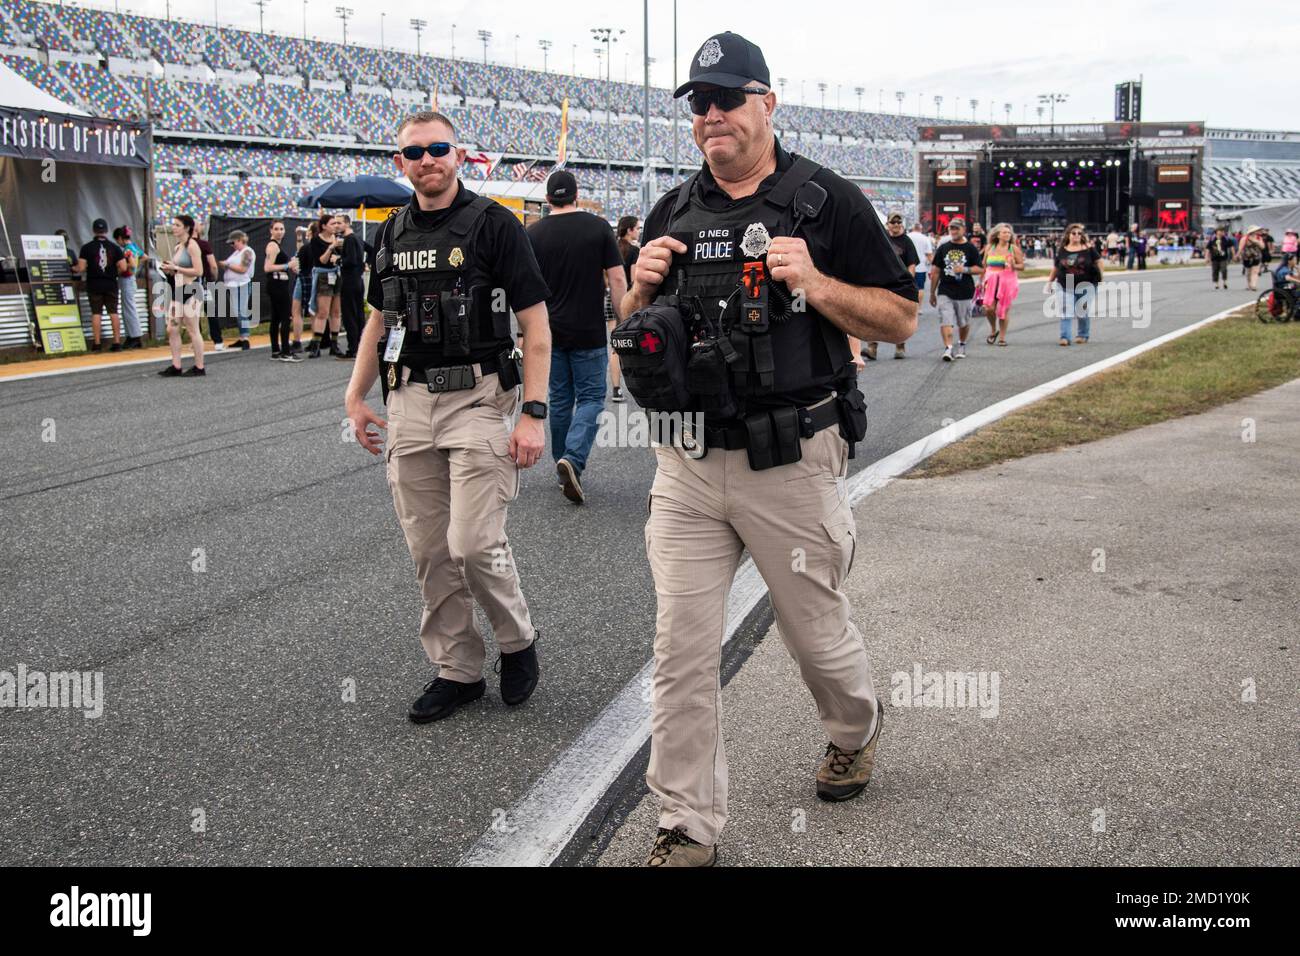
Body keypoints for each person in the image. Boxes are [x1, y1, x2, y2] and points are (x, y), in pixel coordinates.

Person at [620, 32, 917, 867]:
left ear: (768, 103)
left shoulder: (826, 201)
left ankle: (854, 728)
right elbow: (635, 341)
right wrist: (636, 291)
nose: (711, 115)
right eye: (699, 103)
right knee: (680, 651)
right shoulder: (670, 212)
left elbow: (900, 318)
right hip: (686, 462)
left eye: (727, 98)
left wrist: (815, 284)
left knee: (814, 635)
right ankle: (686, 823)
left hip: (789, 459)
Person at [344, 110, 552, 725]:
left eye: (438, 148)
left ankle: (516, 639)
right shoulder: (390, 231)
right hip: (408, 402)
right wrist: (355, 396)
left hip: (479, 398)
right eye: (414, 152)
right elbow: (378, 322)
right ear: (400, 163)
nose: (427, 160)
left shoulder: (495, 224)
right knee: (430, 550)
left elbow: (536, 324)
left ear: (459, 155)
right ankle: (458, 669)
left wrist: (534, 413)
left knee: (474, 544)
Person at [526, 170, 627, 504]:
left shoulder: (534, 233)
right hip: (589, 329)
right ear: (576, 195)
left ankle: (562, 463)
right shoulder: (597, 227)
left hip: (548, 330)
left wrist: (524, 332)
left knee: (559, 399)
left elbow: (525, 287)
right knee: (592, 398)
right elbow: (617, 280)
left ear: (547, 199)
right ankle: (573, 457)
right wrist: (624, 320)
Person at [863, 213, 919, 359]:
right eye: (893, 222)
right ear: (888, 224)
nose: (896, 225)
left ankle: (900, 347)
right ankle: (872, 348)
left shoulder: (907, 241)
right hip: (880, 283)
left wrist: (909, 282)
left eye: (898, 222)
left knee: (898, 316)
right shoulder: (882, 239)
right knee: (873, 315)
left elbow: (912, 264)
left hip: (899, 284)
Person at [156, 214, 206, 376]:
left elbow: (199, 271)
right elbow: (177, 269)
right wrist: (170, 268)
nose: (174, 228)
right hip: (178, 290)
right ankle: (176, 365)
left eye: (177, 225)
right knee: (172, 328)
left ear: (186, 228)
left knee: (192, 329)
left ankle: (199, 366)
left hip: (191, 290)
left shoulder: (192, 246)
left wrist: (176, 268)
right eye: (174, 224)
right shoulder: (178, 247)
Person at [929, 217, 983, 360]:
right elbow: (936, 271)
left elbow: (980, 269)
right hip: (945, 289)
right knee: (945, 319)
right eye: (951, 228)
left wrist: (964, 269)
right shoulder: (943, 248)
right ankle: (948, 348)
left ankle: (962, 344)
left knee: (963, 322)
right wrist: (932, 293)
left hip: (965, 290)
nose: (953, 231)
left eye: (956, 228)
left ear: (963, 230)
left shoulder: (970, 248)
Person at [73, 217, 126, 351]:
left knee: (96, 313)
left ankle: (97, 344)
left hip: (94, 283)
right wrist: (114, 272)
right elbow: (124, 267)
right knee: (113, 312)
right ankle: (117, 342)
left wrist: (72, 268)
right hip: (111, 283)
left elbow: (81, 268)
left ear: (93, 230)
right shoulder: (115, 248)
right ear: (106, 231)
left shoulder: (86, 248)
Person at [1046, 222, 1101, 345]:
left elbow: (1099, 262)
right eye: (1074, 233)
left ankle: (1083, 335)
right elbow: (1056, 267)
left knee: (1082, 312)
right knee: (1066, 311)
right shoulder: (1062, 250)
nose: (1076, 235)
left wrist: (1100, 277)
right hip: (1066, 283)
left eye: (1079, 233)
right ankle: (1065, 337)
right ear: (1068, 235)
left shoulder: (1089, 249)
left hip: (1086, 284)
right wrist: (1050, 282)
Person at [609, 215, 641, 402]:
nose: (638, 231)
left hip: (609, 297)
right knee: (631, 341)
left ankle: (616, 388)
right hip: (627, 299)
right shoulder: (634, 251)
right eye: (637, 228)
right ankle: (637, 385)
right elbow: (634, 280)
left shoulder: (613, 247)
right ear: (629, 230)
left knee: (614, 343)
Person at [307, 213, 345, 357]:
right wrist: (331, 247)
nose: (335, 226)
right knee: (322, 312)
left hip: (336, 275)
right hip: (323, 275)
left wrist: (339, 254)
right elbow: (321, 260)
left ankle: (334, 344)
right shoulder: (316, 240)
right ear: (323, 226)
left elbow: (341, 257)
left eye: (337, 223)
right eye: (332, 223)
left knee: (336, 311)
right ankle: (316, 345)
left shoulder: (338, 238)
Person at [980, 223, 1024, 346]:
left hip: (1007, 282)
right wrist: (980, 281)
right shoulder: (990, 247)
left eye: (1009, 233)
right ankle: (994, 329)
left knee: (1003, 310)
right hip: (990, 281)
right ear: (998, 235)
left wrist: (1014, 265)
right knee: (989, 308)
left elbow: (1022, 266)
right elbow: (984, 265)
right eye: (1004, 232)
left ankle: (1002, 338)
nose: (1007, 234)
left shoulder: (1013, 248)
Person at [264, 221, 300, 362]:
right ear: (271, 230)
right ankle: (285, 351)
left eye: (282, 229)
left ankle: (276, 350)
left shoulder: (277, 246)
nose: (279, 231)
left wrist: (290, 266)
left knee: (276, 318)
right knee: (285, 317)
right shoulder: (272, 246)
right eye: (276, 229)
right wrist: (287, 265)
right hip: (277, 284)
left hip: (279, 283)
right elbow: (267, 267)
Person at [220, 231, 256, 350]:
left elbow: (243, 269)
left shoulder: (247, 252)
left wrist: (227, 265)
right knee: (237, 312)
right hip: (233, 286)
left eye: (233, 242)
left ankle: (245, 338)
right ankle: (242, 337)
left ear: (240, 240)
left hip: (242, 284)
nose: (232, 245)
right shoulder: (237, 253)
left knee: (241, 312)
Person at [337, 215, 366, 359]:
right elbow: (371, 249)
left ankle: (353, 348)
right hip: (358, 280)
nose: (337, 225)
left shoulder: (349, 239)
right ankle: (360, 346)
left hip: (349, 281)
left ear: (347, 223)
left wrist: (338, 259)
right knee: (358, 314)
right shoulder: (358, 238)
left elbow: (351, 260)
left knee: (349, 315)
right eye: (335, 223)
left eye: (339, 223)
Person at [113, 226, 146, 349]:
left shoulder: (127, 249)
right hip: (131, 279)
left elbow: (131, 264)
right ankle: (131, 335)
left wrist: (128, 268)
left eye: (117, 240)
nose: (118, 243)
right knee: (128, 308)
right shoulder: (134, 246)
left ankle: (135, 336)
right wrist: (137, 265)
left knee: (128, 309)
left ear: (120, 238)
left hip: (127, 279)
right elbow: (145, 256)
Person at [193, 220, 222, 350]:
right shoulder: (204, 244)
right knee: (210, 311)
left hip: (190, 282)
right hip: (204, 281)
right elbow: (213, 265)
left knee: (193, 312)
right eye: (199, 224)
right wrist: (213, 277)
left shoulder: (182, 245)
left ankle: (196, 339)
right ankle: (218, 341)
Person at [290, 223, 313, 353]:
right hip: (314, 278)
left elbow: (298, 262)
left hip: (304, 278)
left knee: (297, 311)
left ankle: (297, 341)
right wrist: (299, 238)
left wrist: (295, 265)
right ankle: (316, 342)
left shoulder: (308, 247)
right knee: (314, 311)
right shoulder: (322, 246)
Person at [1239, 226, 1266, 292]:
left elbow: (1263, 247)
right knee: (1248, 272)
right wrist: (1238, 255)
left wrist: (1257, 242)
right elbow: (1240, 248)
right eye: (1256, 230)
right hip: (1247, 257)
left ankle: (1253, 285)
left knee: (1255, 271)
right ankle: (1249, 284)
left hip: (1256, 256)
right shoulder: (1245, 238)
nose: (1257, 231)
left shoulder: (1259, 238)